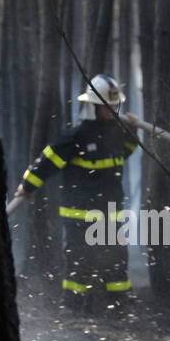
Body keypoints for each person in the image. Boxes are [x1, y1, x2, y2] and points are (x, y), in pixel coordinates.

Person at [14, 73, 139, 314]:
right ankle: (72, 306)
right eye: (107, 106)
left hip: (110, 212)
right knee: (79, 261)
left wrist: (132, 131)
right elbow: (47, 162)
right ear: (93, 106)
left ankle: (119, 306)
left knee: (115, 260)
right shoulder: (76, 137)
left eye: (115, 105)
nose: (112, 110)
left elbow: (124, 153)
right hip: (79, 213)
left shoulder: (116, 132)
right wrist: (27, 187)